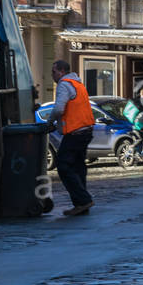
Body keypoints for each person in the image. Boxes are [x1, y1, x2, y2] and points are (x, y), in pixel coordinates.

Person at [45, 59, 96, 217]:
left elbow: (59, 108)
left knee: (63, 166)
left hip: (75, 132)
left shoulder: (64, 84)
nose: (52, 75)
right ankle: (82, 204)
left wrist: (50, 121)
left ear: (61, 71)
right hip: (86, 130)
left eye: (53, 72)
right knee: (79, 167)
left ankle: (83, 200)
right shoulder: (78, 84)